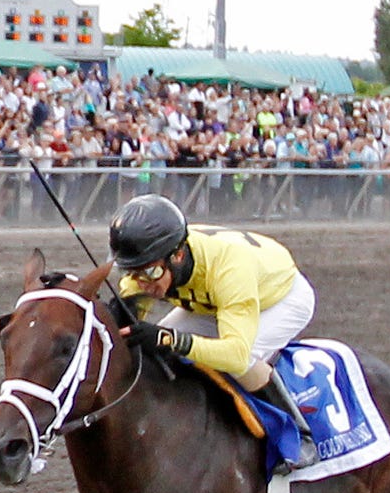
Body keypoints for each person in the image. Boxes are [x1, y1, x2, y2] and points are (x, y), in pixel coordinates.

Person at [108, 193, 319, 469]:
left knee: (242, 361)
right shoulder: (149, 266)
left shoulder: (230, 269)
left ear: (178, 256)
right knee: (154, 349)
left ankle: (298, 436)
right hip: (210, 301)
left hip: (279, 299)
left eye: (149, 274)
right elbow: (123, 327)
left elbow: (235, 354)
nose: (141, 283)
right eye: (131, 273)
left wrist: (171, 340)